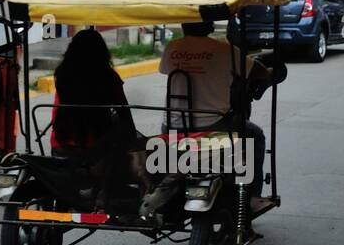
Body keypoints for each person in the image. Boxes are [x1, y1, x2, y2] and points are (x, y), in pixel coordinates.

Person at [157, 19, 271, 206]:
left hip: (173, 126)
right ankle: (249, 199)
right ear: (210, 26)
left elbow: (165, 70)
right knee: (255, 136)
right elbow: (260, 72)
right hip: (214, 129)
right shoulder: (224, 50)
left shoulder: (173, 47)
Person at [51, 29, 148, 192]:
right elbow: (124, 113)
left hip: (61, 141)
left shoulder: (62, 75)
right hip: (95, 145)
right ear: (102, 52)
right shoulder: (108, 76)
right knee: (122, 130)